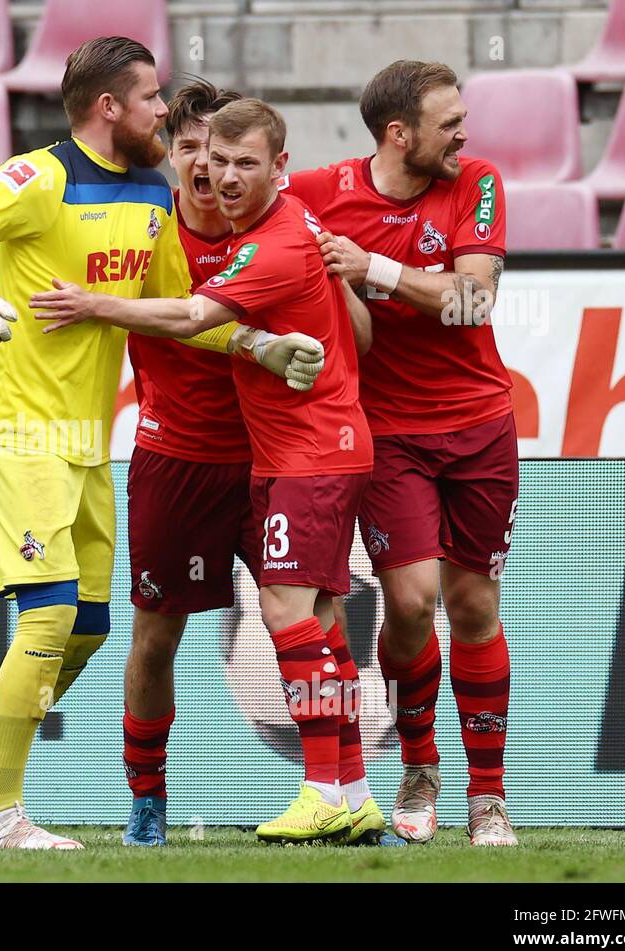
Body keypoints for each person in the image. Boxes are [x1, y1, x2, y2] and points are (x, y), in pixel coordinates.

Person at [0, 38, 318, 850]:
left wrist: (253, 346)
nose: (167, 112)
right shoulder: (42, 178)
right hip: (18, 432)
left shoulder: (152, 198)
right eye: (153, 98)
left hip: (89, 447)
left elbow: (178, 311)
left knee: (89, 625)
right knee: (51, 614)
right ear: (110, 109)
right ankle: (2, 816)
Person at [32, 98, 383, 845]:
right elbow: (191, 319)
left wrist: (337, 277)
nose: (210, 168)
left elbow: (356, 335)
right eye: (195, 150)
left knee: (314, 618)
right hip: (181, 460)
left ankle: (342, 788)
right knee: (157, 637)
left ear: (267, 166)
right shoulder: (145, 232)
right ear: (174, 155)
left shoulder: (280, 231)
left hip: (283, 456)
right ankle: (149, 799)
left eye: (227, 156)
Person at [283, 60, 517, 846]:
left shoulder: (476, 180)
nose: (464, 133)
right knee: (413, 603)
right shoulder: (321, 192)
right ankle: (420, 768)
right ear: (398, 133)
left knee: (474, 604)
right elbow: (249, 204)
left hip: (480, 425)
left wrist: (374, 268)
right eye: (448, 122)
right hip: (386, 437)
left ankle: (489, 798)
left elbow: (472, 299)